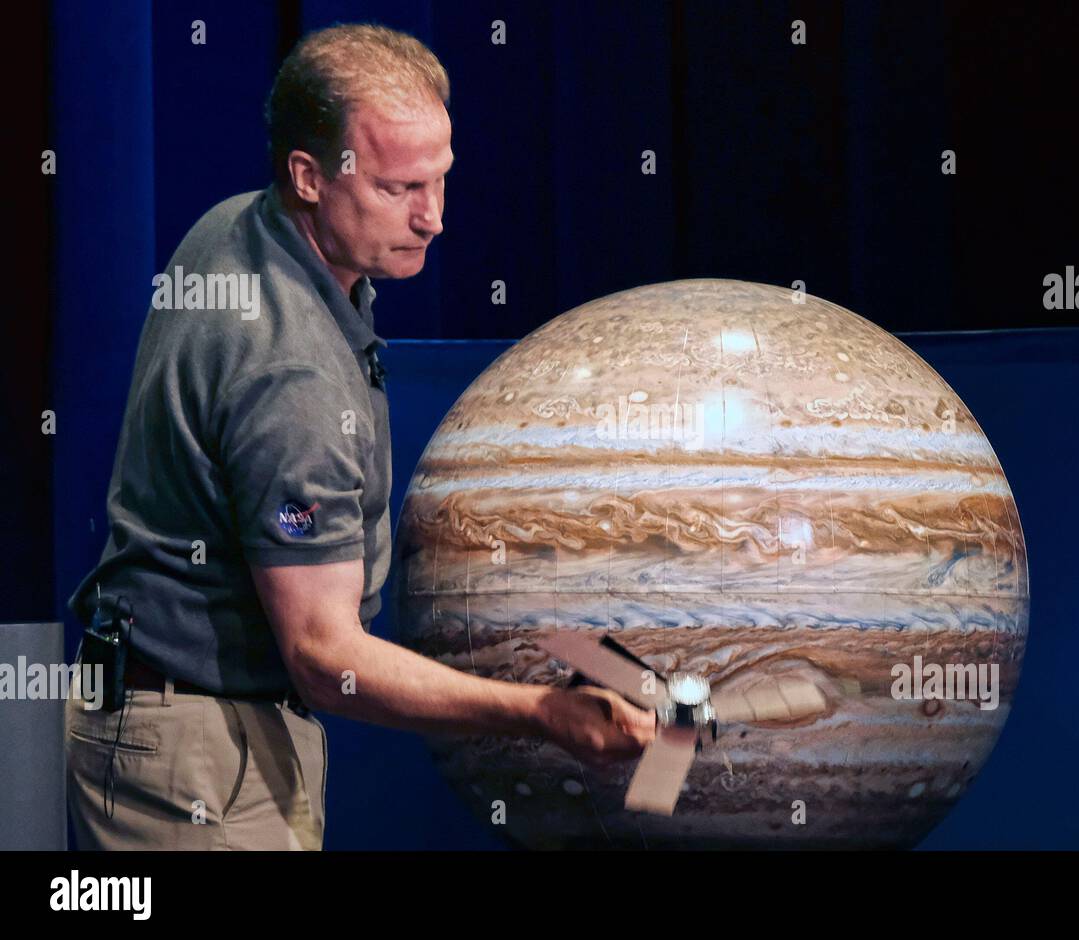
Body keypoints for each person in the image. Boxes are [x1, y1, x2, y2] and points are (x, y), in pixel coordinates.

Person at [64, 23, 655, 851]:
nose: (434, 219)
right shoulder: (290, 375)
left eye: (441, 180)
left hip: (161, 720)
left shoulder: (239, 227)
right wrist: (541, 713)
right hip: (199, 764)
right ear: (308, 176)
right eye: (398, 188)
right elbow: (322, 655)